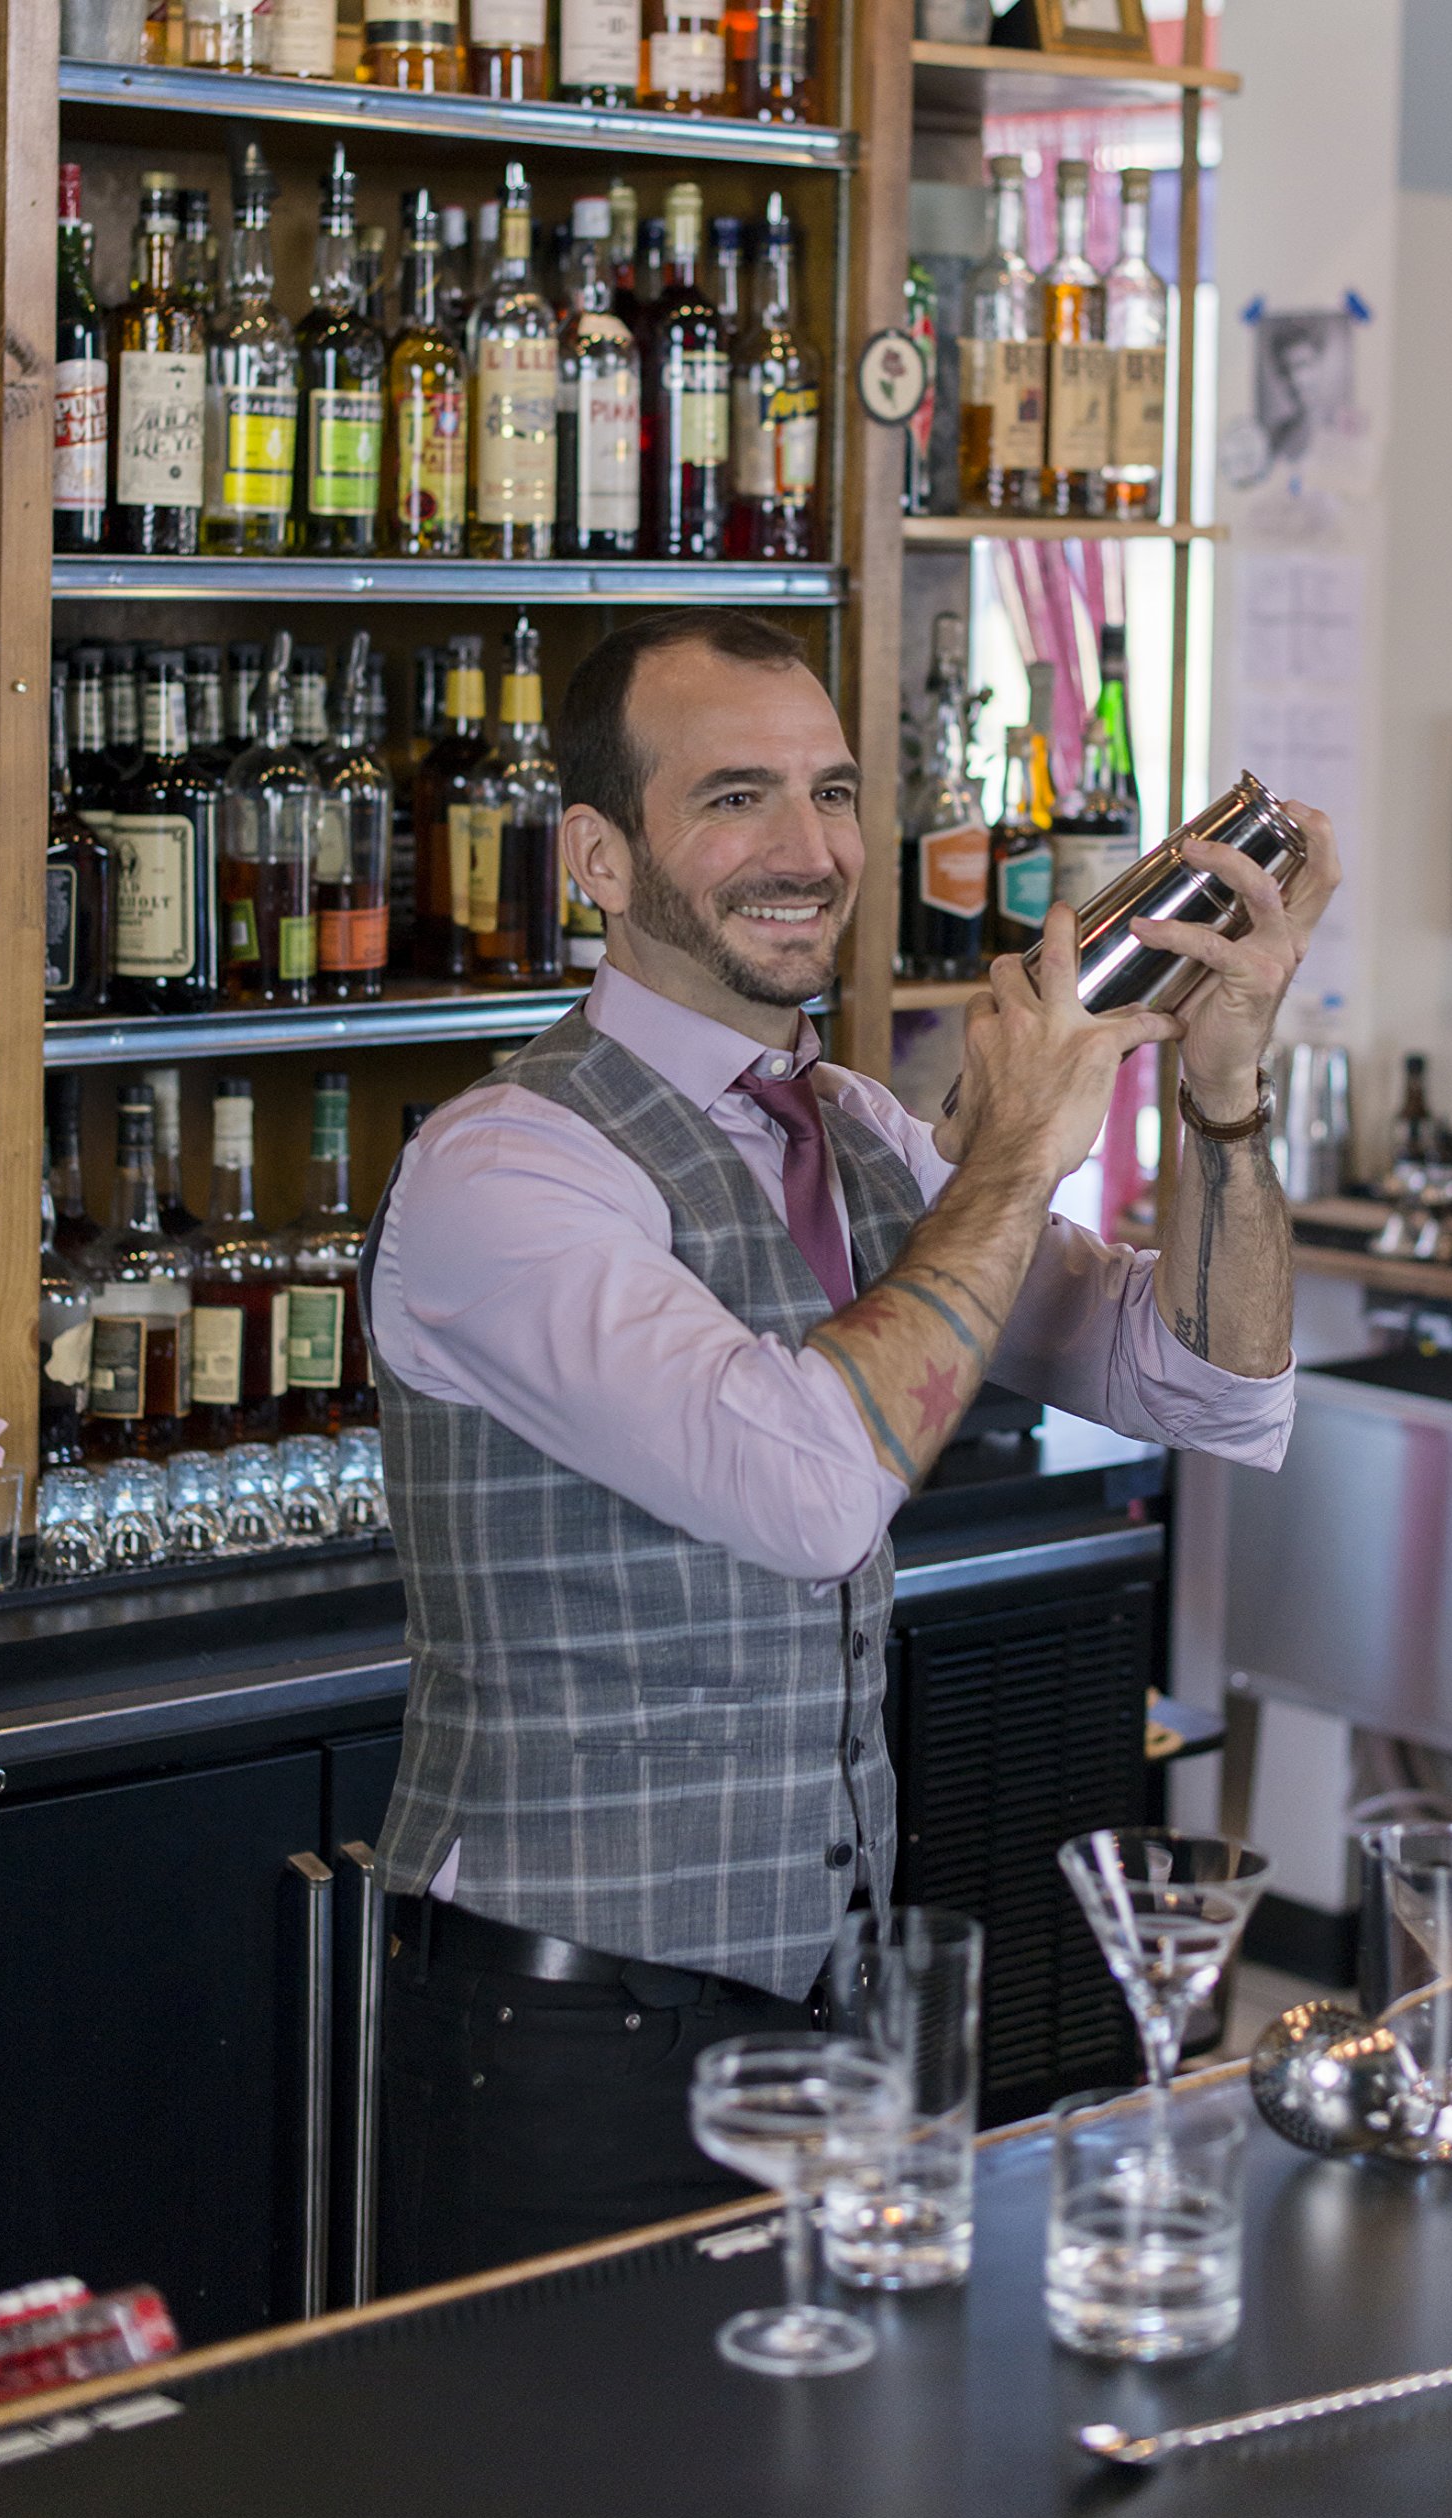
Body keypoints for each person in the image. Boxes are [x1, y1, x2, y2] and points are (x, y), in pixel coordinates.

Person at [364, 608, 1340, 2289]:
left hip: (828, 1988)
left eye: (830, 793)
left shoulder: (865, 1135)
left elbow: (1212, 1390)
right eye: (735, 795)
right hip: (558, 2021)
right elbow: (809, 1496)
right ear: (599, 854)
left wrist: (1220, 1099)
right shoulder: (506, 1169)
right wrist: (1024, 1138)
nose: (807, 850)